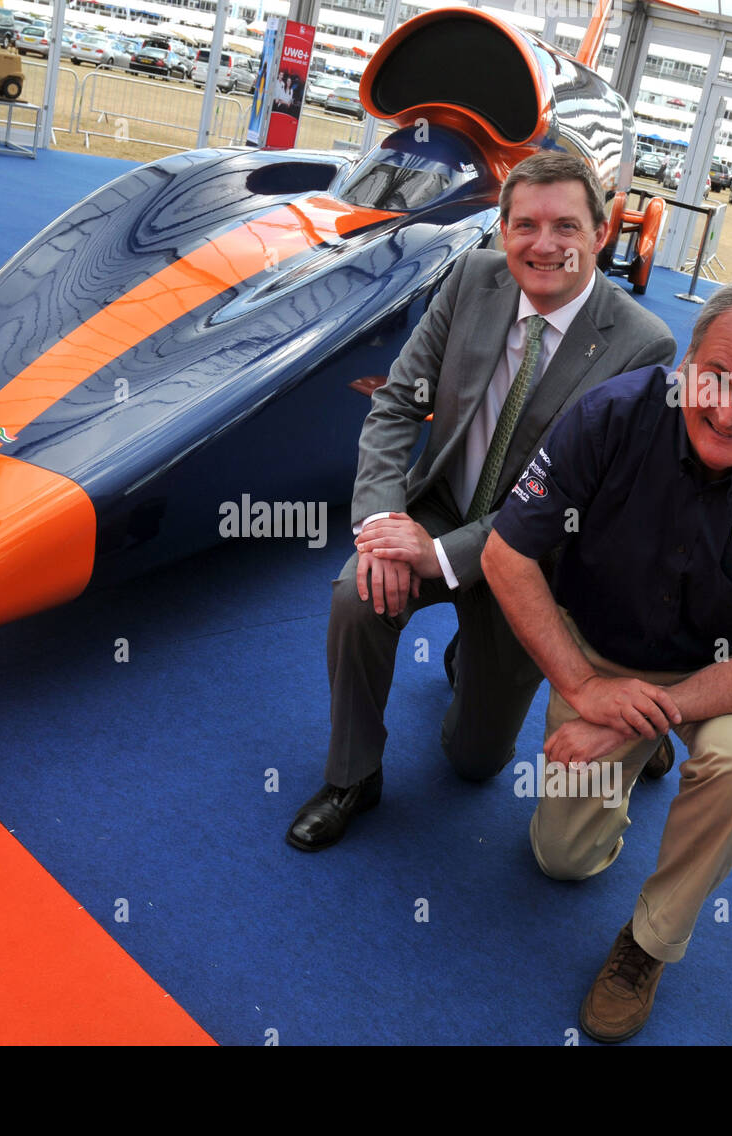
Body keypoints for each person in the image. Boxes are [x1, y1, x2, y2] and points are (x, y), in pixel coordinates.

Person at [479, 277, 732, 1042]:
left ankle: (650, 943)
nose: (729, 409)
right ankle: (645, 748)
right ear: (686, 364)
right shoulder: (608, 415)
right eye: (715, 375)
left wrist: (634, 719)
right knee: (560, 860)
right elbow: (504, 556)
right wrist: (585, 687)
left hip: (724, 674)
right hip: (603, 652)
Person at [285, 151, 677, 853]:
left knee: (473, 765)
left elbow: (574, 498)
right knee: (359, 593)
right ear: (502, 229)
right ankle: (353, 775)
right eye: (525, 225)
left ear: (600, 233)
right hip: (443, 504)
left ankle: (472, 650)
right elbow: (397, 404)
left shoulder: (641, 347)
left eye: (566, 226)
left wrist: (440, 557)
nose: (544, 245)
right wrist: (384, 524)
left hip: (531, 559)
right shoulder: (471, 278)